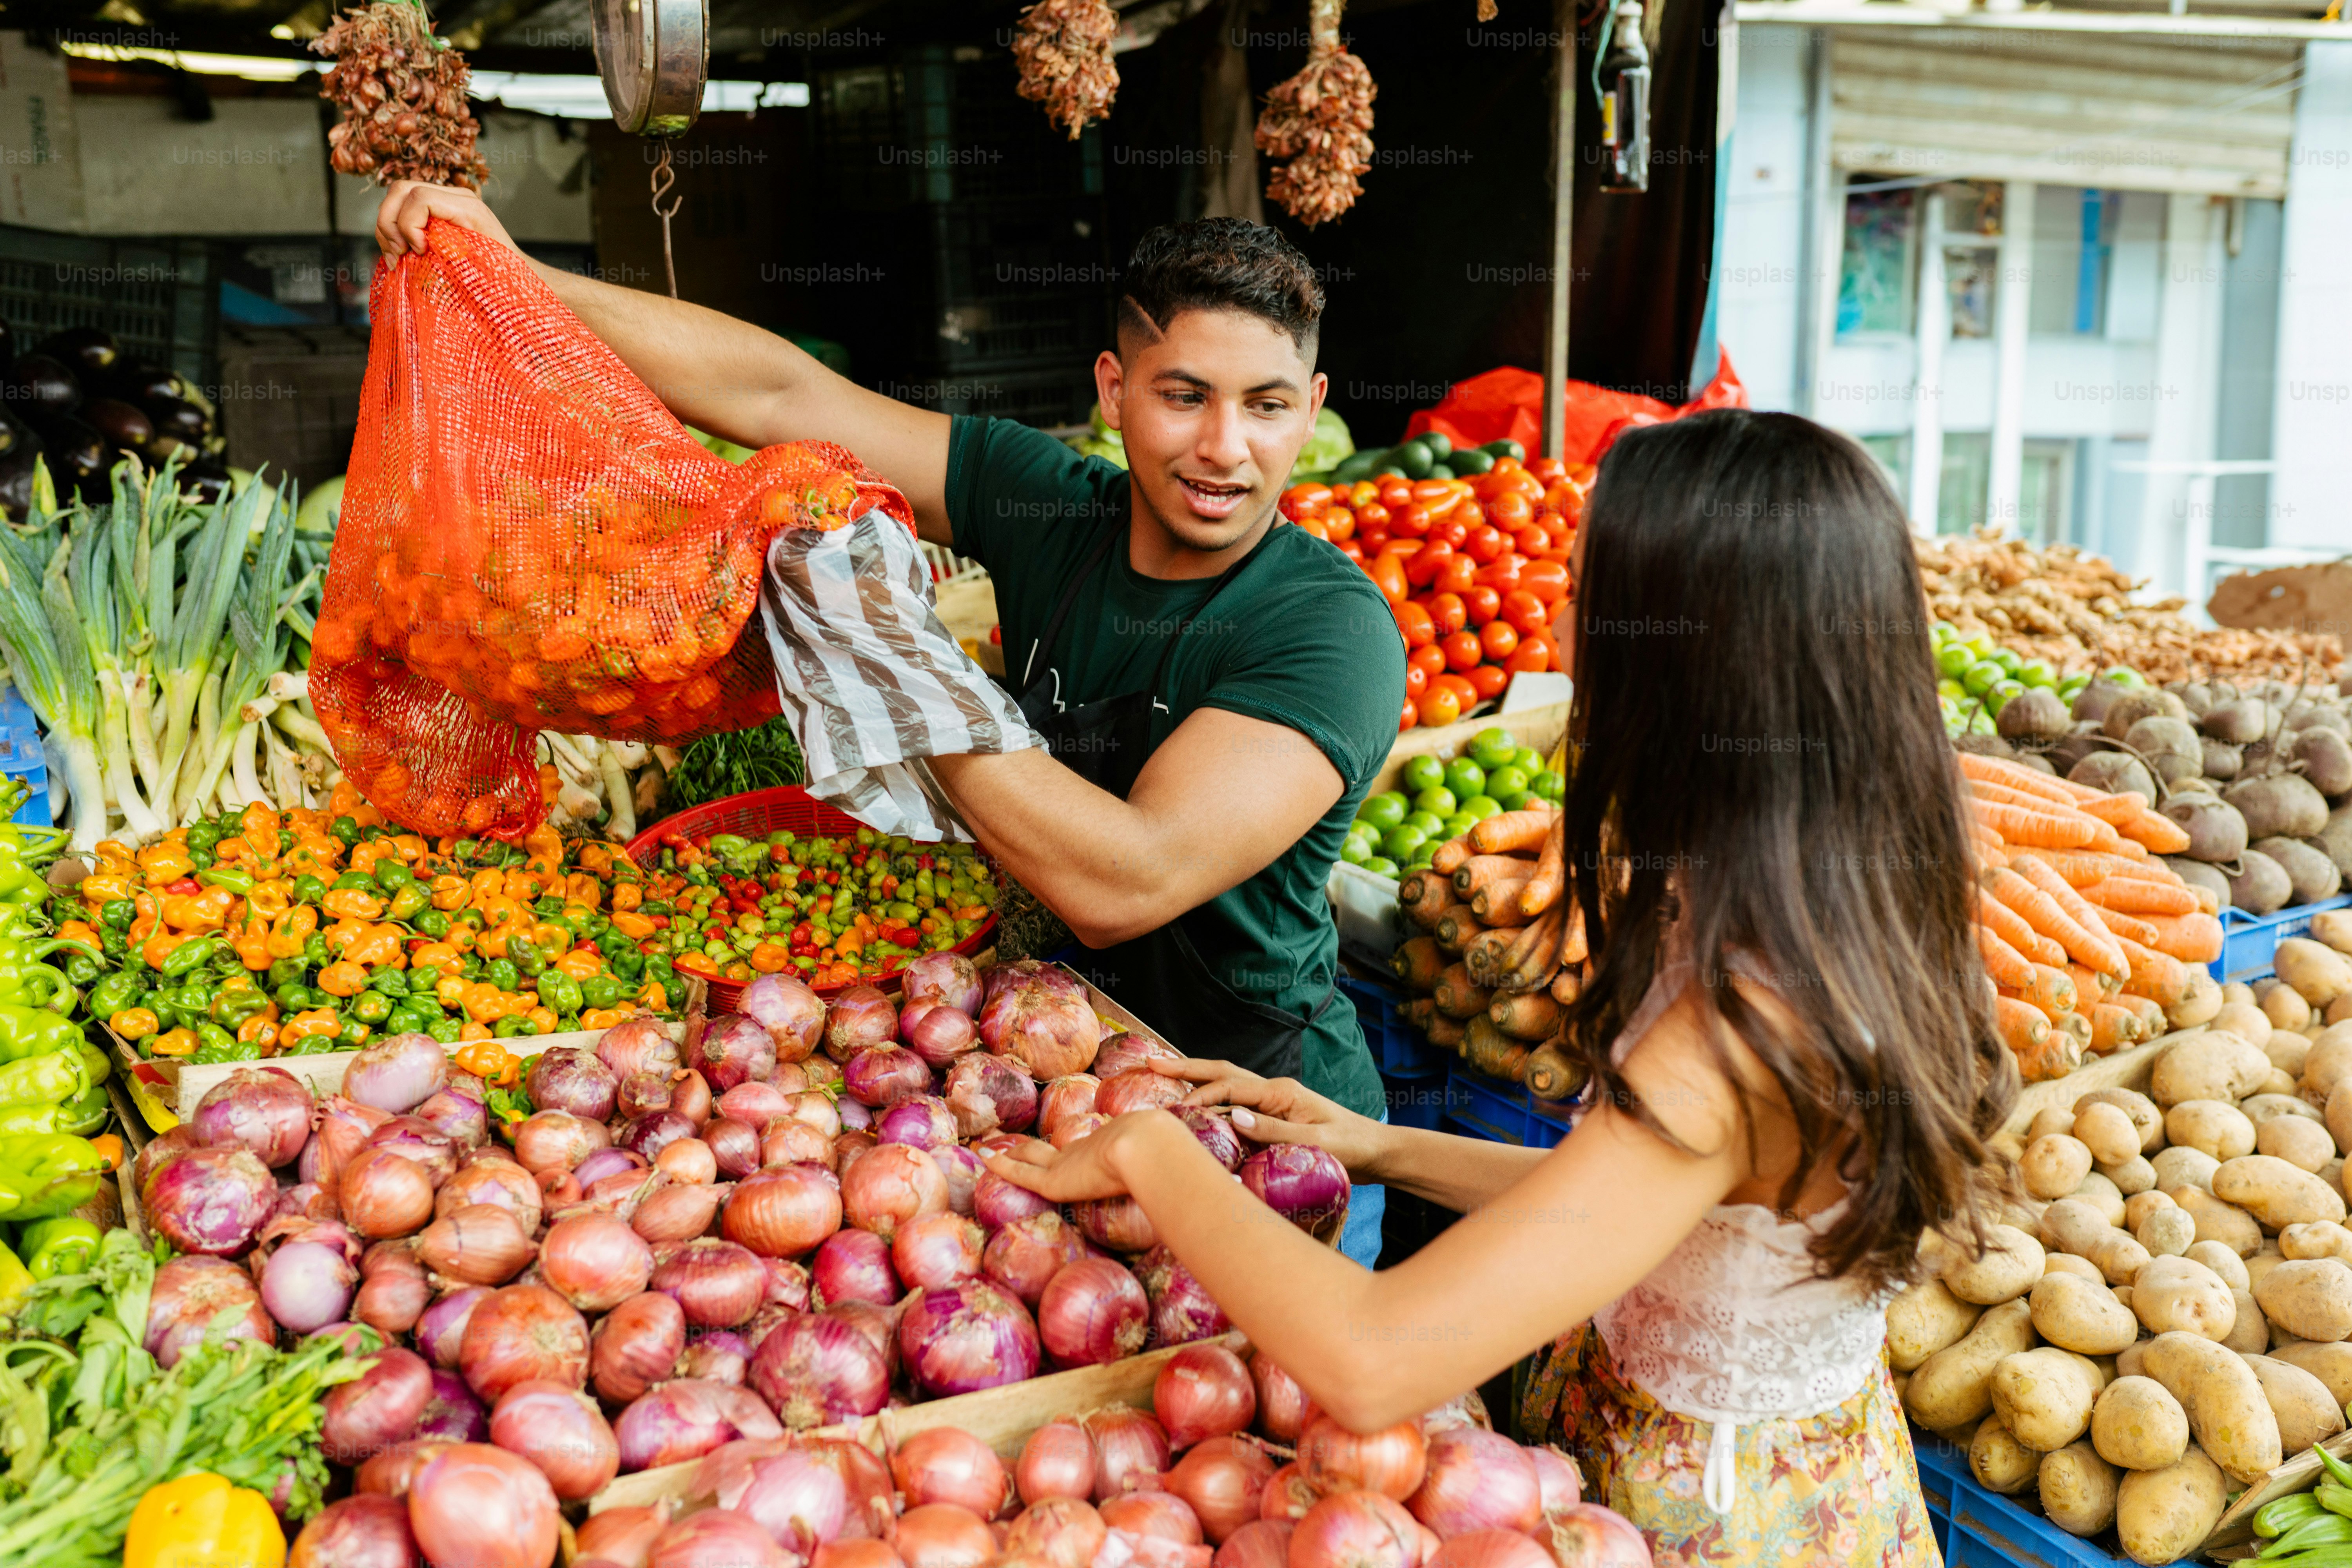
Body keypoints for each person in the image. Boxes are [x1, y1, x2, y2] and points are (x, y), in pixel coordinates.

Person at [989, 408, 2016, 1567]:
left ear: (1692, 658)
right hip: (1781, 1457)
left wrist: (1148, 1155)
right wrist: (1376, 1148)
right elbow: (1650, 1206)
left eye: (1588, 595)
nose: (1563, 631)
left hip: (1717, 1523)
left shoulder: (1737, 1025)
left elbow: (1372, 1363)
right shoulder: (1847, 908)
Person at [372, 187, 1407, 1265]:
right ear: (1113, 389)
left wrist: (898, 670)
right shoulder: (1054, 507)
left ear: (1316, 401)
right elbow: (780, 393)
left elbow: (1124, 883)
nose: (1225, 448)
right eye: (1184, 396)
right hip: (1056, 1094)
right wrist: (514, 277)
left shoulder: (1328, 631)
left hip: (1262, 1139)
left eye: (1270, 405)